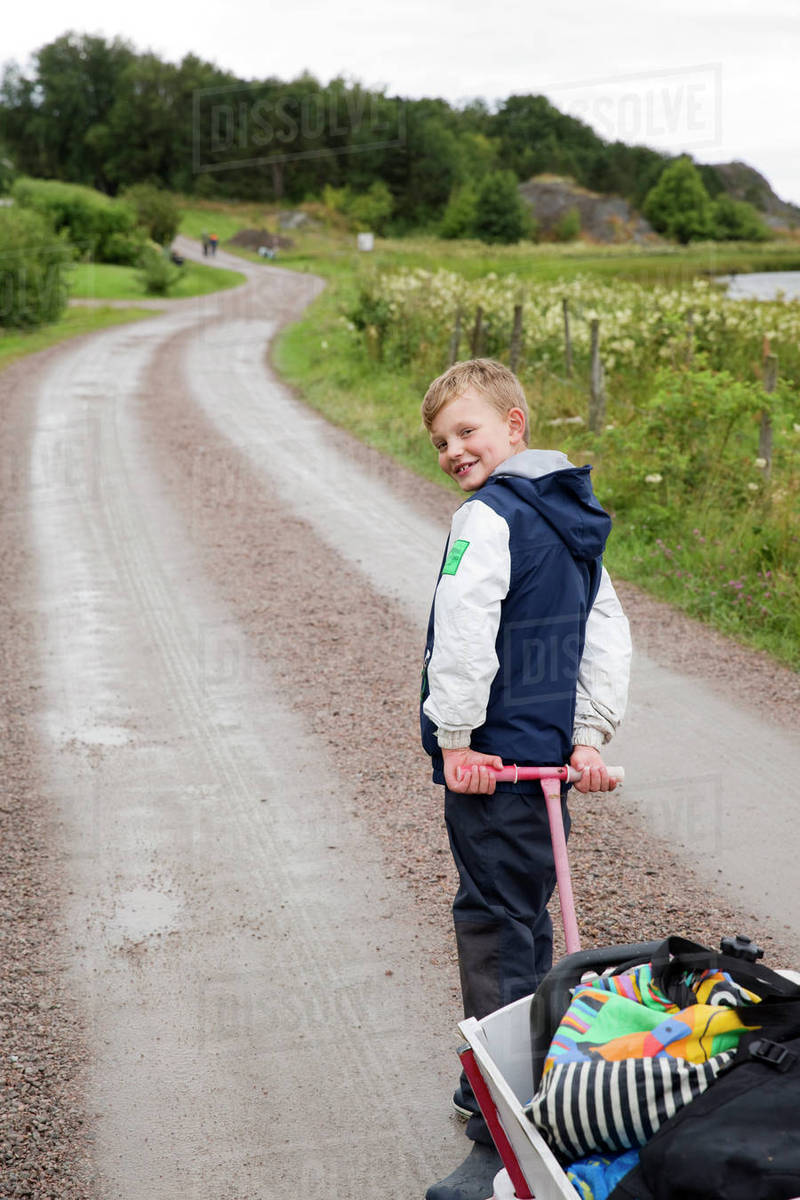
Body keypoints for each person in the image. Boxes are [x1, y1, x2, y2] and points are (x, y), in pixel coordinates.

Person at [419, 359, 631, 1200]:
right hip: (543, 761)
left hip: (493, 765)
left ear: (515, 424)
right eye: (439, 441)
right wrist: (586, 734)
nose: (452, 450)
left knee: (496, 923)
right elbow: (605, 633)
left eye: (466, 431)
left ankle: (501, 1119)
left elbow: (465, 625)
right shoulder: (575, 518)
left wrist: (458, 736)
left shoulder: (488, 516)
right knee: (526, 914)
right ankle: (524, 1068)